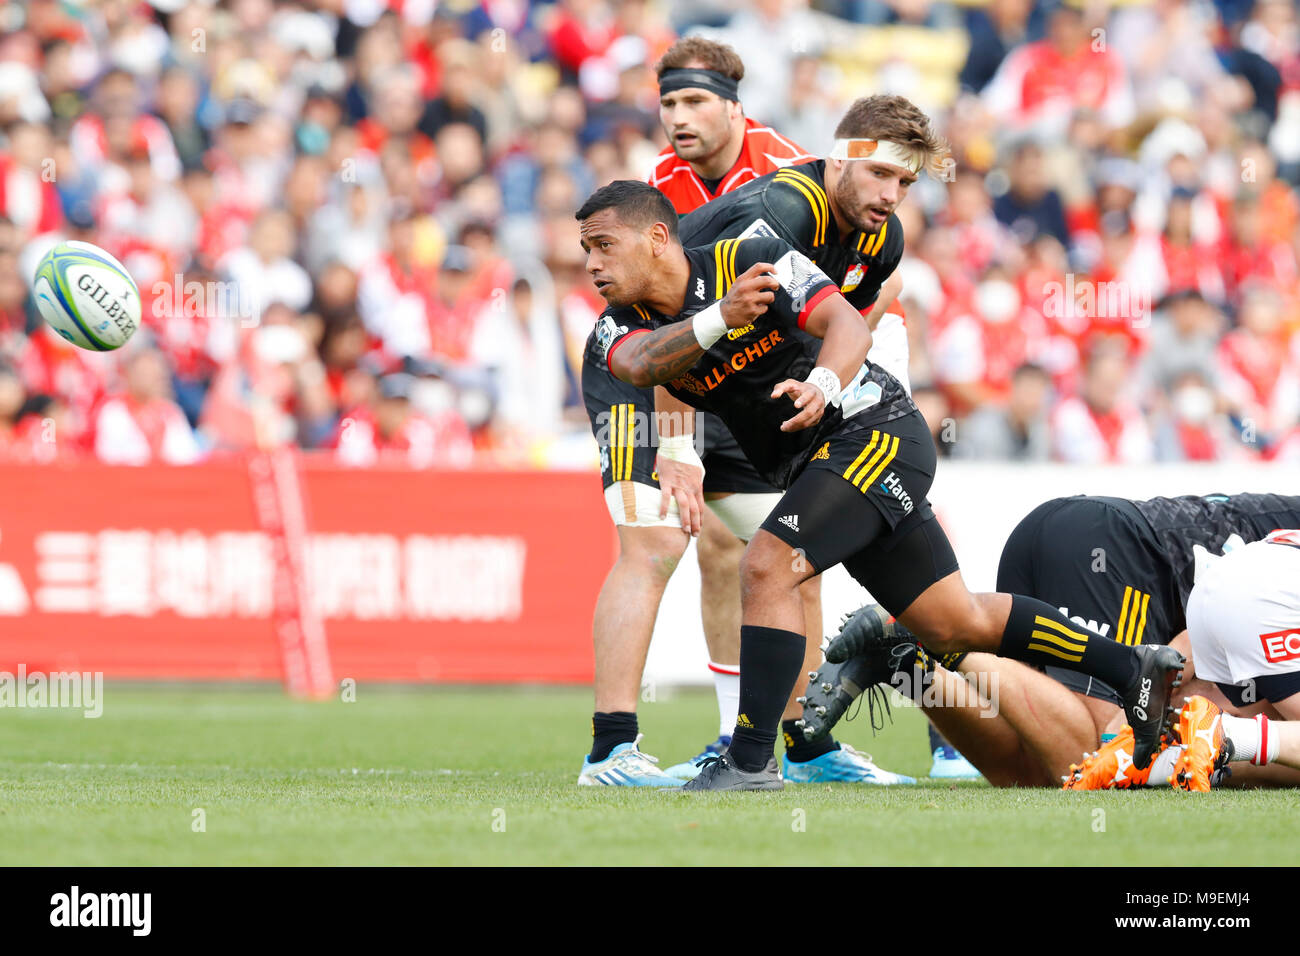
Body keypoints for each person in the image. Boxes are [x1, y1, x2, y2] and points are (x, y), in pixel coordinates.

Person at [578, 174, 1183, 792]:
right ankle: (1132, 666)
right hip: (827, 461)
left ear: (657, 237)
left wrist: (823, 385)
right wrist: (720, 320)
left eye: (604, 245)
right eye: (586, 250)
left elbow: (849, 327)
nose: (593, 263)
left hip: (871, 432)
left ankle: (751, 759)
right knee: (954, 622)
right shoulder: (618, 326)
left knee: (766, 563)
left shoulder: (751, 256)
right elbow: (637, 364)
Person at [577, 39, 907, 786]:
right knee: (656, 543)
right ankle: (612, 750)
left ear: (736, 107)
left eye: (694, 102)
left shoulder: (805, 184)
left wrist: (844, 386)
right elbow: (660, 326)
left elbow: (856, 302)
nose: (678, 119)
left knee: (788, 554)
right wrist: (679, 448)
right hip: (646, 367)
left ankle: (792, 743)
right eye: (667, 103)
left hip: (730, 364)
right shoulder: (652, 189)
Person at [806, 492, 1300, 788]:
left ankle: (904, 664)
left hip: (1092, 540)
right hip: (1118, 555)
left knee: (1031, 772)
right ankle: (933, 633)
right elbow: (1198, 642)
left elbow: (1199, 645)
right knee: (1098, 755)